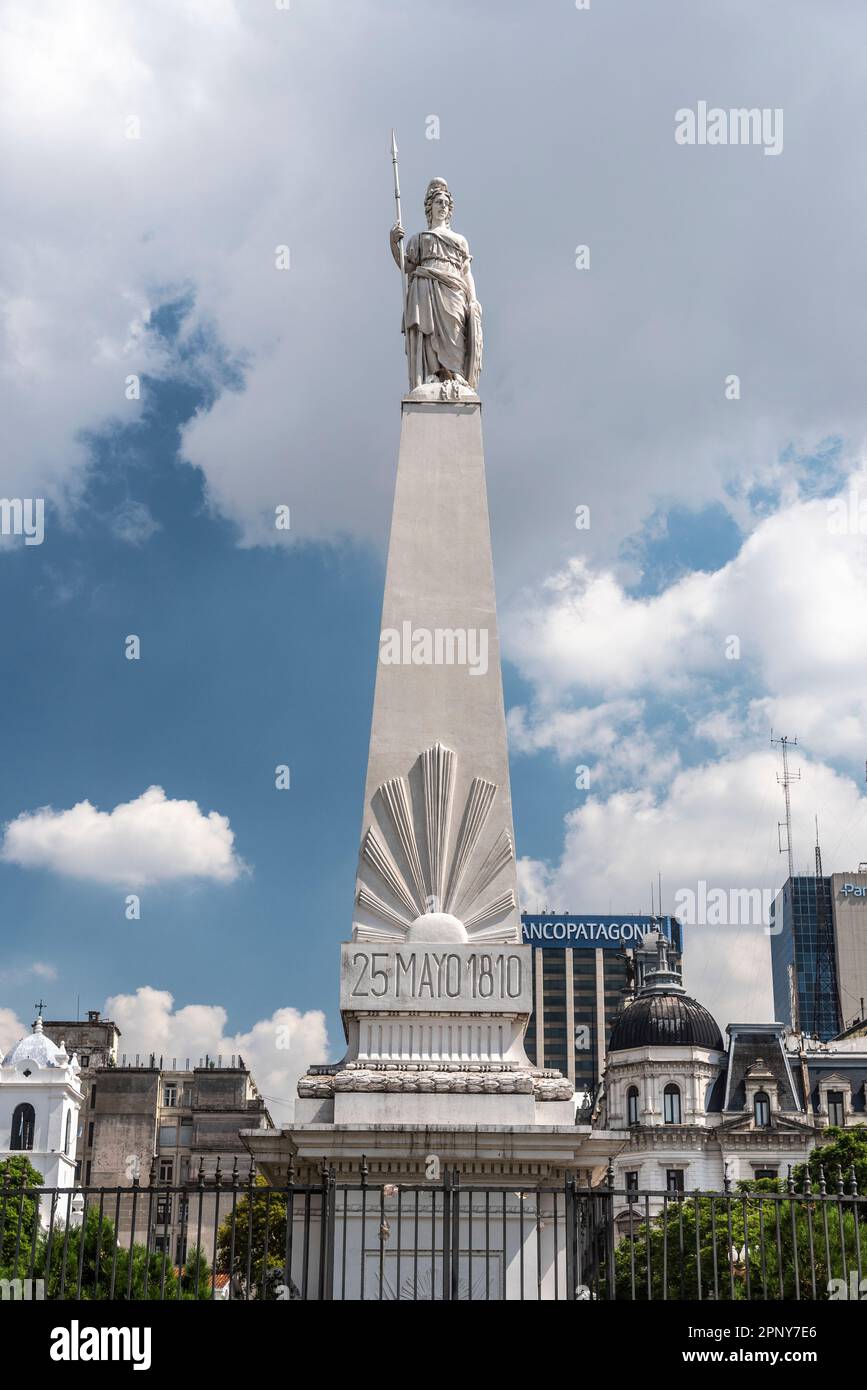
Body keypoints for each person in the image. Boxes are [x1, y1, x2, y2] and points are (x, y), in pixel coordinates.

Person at [390, 177, 482, 391]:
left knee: (455, 330)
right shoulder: (419, 238)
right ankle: (433, 373)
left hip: (454, 288)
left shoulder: (460, 240)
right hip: (426, 287)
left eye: (446, 203)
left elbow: (466, 272)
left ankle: (456, 374)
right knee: (429, 331)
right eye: (439, 202)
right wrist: (393, 242)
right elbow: (406, 266)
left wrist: (473, 301)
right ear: (429, 206)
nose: (443, 206)